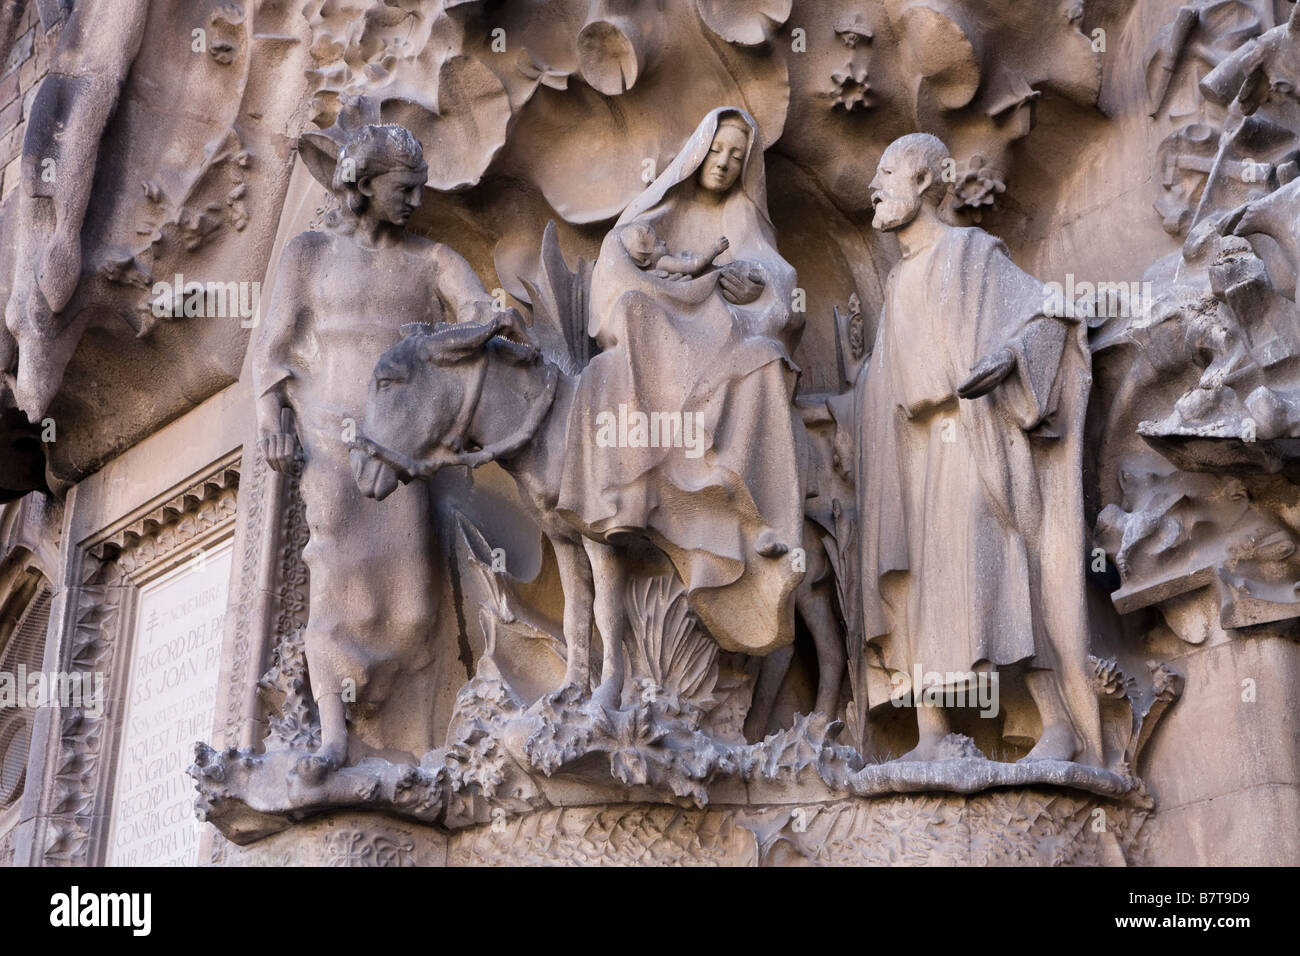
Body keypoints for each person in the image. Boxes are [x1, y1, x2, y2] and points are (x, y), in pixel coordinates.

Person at [252, 123, 500, 768]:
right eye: (404, 189)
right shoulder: (309, 253)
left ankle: (413, 739)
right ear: (363, 185)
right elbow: (272, 349)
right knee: (337, 573)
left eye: (420, 190)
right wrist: (271, 413)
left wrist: (490, 320)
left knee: (414, 600)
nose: (416, 202)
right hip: (329, 436)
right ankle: (335, 734)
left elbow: (480, 309)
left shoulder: (431, 259)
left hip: (401, 448)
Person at [854, 133, 1103, 765]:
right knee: (920, 582)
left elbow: (1053, 314)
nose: (875, 186)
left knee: (998, 570)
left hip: (975, 442)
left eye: (888, 172)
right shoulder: (897, 281)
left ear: (926, 182)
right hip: (915, 455)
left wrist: (1008, 357)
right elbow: (885, 381)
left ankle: (1059, 725)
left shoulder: (972, 253)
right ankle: (932, 732)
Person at [557, 107, 806, 654]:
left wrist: (754, 288)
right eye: (716, 152)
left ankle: (746, 512)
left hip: (722, 341)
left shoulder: (741, 218)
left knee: (764, 360)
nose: (724, 164)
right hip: (664, 331)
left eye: (736, 158)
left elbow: (783, 299)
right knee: (632, 322)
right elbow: (617, 281)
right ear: (697, 154)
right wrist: (689, 287)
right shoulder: (657, 212)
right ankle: (637, 497)